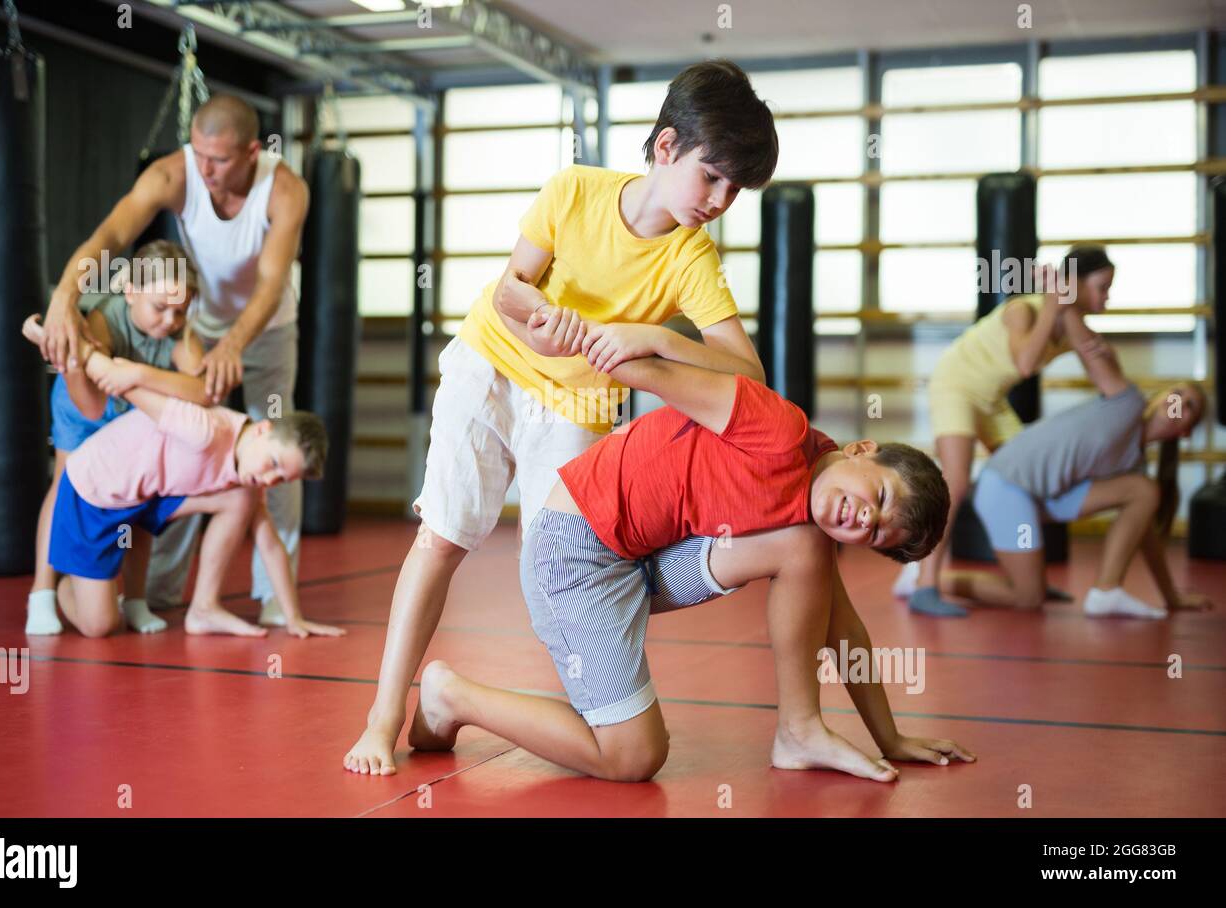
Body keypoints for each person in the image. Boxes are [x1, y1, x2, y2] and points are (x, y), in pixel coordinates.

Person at [345, 60, 780, 775]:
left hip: (577, 401)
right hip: (490, 364)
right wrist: (542, 319)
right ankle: (382, 716)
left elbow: (748, 373)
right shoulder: (574, 189)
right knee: (444, 536)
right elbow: (512, 287)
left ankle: (497, 703)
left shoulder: (691, 256)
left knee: (566, 563)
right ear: (666, 147)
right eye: (713, 176)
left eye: (737, 189)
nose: (721, 199)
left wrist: (659, 337)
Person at [350, 330, 972, 782]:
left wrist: (888, 737)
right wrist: (613, 339)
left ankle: (797, 731)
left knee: (805, 549)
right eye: (880, 498)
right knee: (633, 757)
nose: (863, 520)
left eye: (876, 535)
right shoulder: (781, 432)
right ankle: (450, 696)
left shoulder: (807, 524)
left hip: (638, 560)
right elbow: (650, 372)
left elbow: (846, 628)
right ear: (863, 448)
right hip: (575, 553)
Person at [36, 94, 310, 628]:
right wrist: (64, 296)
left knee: (275, 452)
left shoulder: (284, 189)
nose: (205, 169)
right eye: (199, 155)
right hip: (195, 322)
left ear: (253, 152)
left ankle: (274, 594)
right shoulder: (171, 175)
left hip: (268, 329)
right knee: (185, 442)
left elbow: (274, 281)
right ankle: (159, 590)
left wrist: (234, 344)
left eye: (221, 160)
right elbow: (111, 237)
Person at [21, 316, 341, 640]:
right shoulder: (204, 430)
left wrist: (293, 618)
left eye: (282, 479)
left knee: (242, 500)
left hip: (147, 492)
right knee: (100, 627)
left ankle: (204, 608)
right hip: (96, 490)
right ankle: (65, 586)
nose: (270, 478)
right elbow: (123, 384)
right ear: (262, 428)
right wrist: (59, 341)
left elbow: (270, 545)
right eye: (273, 463)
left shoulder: (251, 475)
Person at [899, 245, 1119, 616]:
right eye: (1102, 286)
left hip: (991, 401)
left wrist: (1065, 309)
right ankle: (923, 583)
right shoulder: (1024, 310)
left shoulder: (1068, 323)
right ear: (1075, 283)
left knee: (1028, 478)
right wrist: (1052, 303)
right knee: (956, 480)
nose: (1107, 297)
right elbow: (1026, 362)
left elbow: (1106, 363)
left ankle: (1028, 574)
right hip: (956, 384)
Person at [937, 352, 1209, 617]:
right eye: (1177, 393)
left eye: (1190, 406)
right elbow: (1094, 353)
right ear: (1161, 396)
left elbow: (1143, 533)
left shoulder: (1134, 468)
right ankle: (929, 580)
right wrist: (1066, 308)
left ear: (1185, 432)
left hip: (1039, 498)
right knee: (1028, 597)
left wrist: (1171, 596)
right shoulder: (1126, 405)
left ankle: (1106, 591)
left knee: (1144, 491)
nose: (1179, 402)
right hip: (1007, 489)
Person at [26, 240, 208, 636]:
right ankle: (42, 591)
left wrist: (140, 375)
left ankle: (136, 598)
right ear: (130, 291)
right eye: (160, 308)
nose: (170, 320)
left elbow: (203, 391)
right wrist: (81, 361)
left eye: (180, 310)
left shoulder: (181, 332)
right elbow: (92, 404)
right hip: (87, 400)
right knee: (64, 482)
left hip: (133, 403)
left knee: (140, 496)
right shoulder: (104, 321)